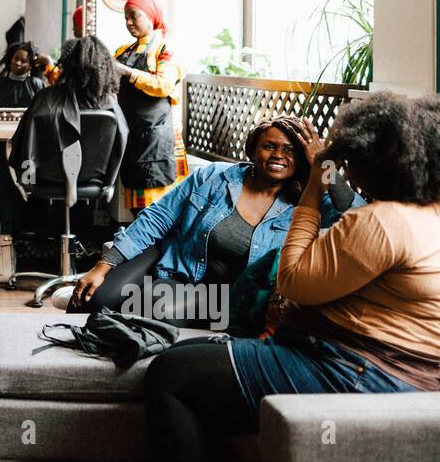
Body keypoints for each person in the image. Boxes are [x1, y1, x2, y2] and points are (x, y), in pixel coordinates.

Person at [143, 94, 440, 462]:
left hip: (351, 371)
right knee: (195, 359)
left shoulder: (379, 219)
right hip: (394, 373)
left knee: (168, 372)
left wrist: (313, 187)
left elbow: (291, 281)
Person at [67, 115, 361, 323]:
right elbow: (158, 217)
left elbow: (359, 218)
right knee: (91, 298)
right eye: (269, 146)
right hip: (176, 268)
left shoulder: (309, 201)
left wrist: (324, 166)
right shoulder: (214, 176)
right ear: (253, 149)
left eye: (289, 150)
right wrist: (103, 265)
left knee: (153, 306)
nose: (277, 155)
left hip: (228, 300)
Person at [8, 35, 128, 212]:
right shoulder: (109, 104)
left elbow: (22, 144)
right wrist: (109, 182)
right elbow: (121, 141)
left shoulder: (46, 97)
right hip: (93, 180)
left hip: (45, 179)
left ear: (66, 64)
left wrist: (27, 181)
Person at [112, 0, 186, 211]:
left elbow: (163, 85)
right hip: (131, 136)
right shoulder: (122, 51)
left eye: (134, 16)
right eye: (125, 17)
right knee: (137, 210)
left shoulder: (165, 49)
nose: (128, 22)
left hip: (157, 137)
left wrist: (126, 71)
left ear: (151, 15)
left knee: (159, 210)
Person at [0, 41, 45, 108]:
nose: (18, 63)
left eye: (23, 61)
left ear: (30, 65)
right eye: (16, 59)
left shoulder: (36, 84)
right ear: (11, 59)